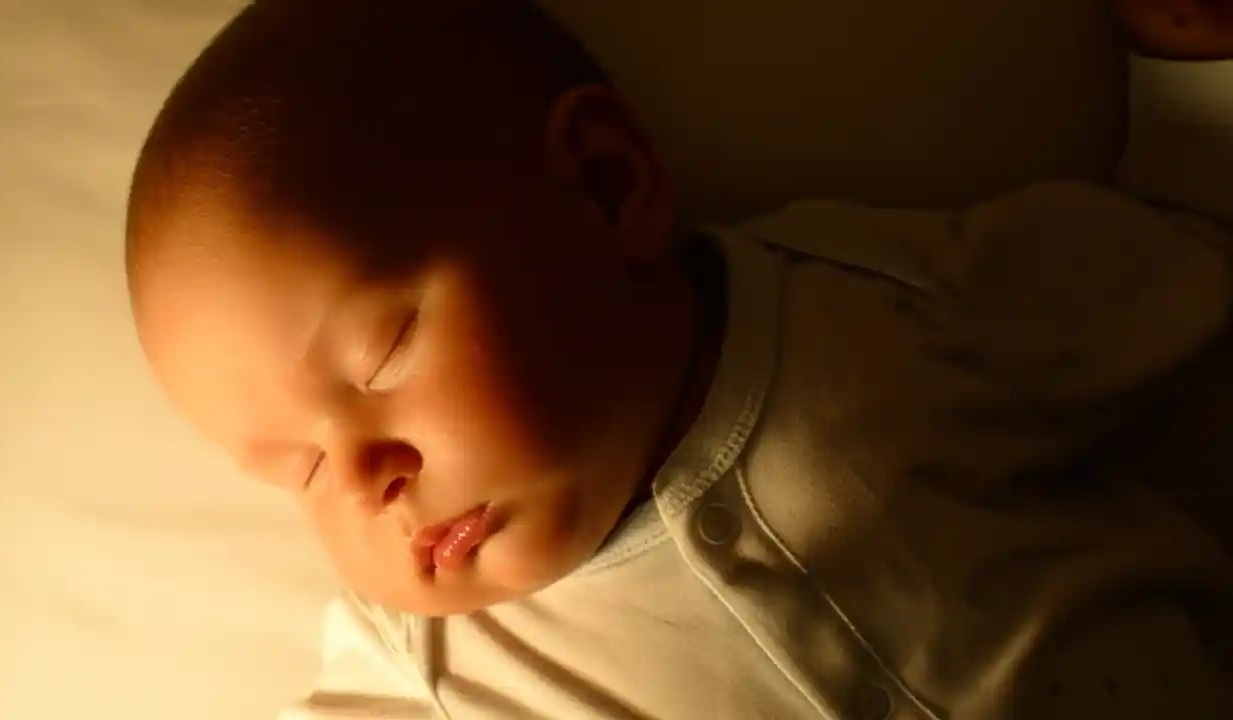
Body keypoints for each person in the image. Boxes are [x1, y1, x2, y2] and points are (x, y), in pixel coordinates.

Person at [125, 1, 1233, 717]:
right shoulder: (416, 662)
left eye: (379, 360)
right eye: (296, 472)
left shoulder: (873, 311)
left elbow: (1177, 256)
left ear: (607, 185)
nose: (367, 480)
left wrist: (1192, 71)